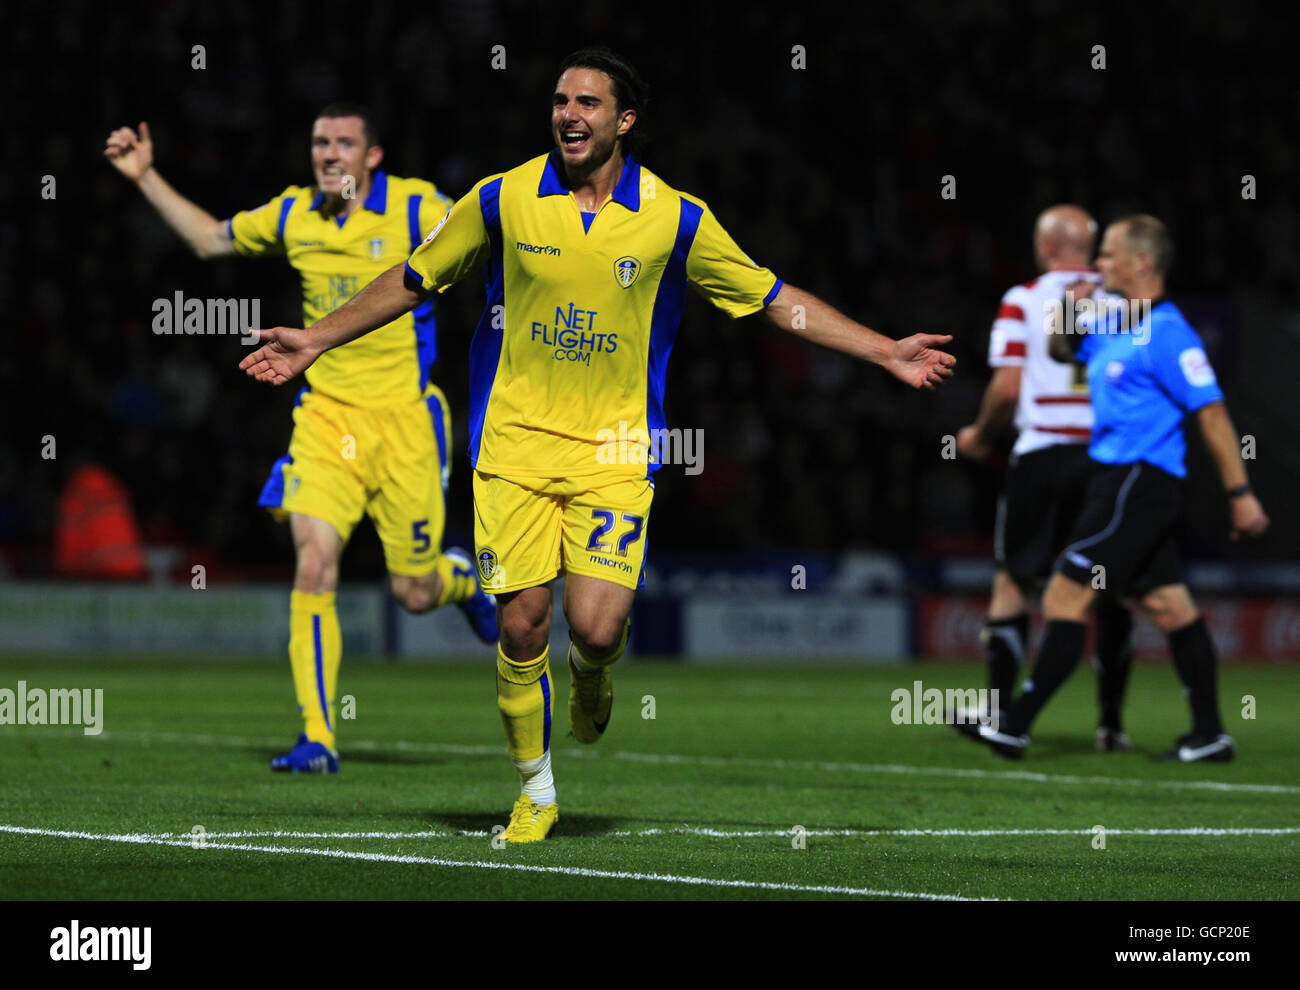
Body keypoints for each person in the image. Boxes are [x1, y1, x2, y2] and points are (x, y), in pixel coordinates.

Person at [239, 47, 955, 838]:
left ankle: (592, 676)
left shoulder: (675, 216)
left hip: (615, 451)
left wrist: (884, 349)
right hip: (512, 447)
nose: (568, 115)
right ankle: (536, 791)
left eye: (586, 103)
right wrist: (315, 339)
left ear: (625, 120)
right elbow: (413, 278)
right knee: (520, 624)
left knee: (599, 627)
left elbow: (771, 299)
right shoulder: (503, 197)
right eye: (559, 101)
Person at [104, 104, 498, 774]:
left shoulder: (414, 208)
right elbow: (209, 240)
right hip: (325, 420)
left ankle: (463, 583)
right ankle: (318, 737)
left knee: (413, 593)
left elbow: (490, 228)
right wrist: (145, 177)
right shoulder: (293, 216)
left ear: (373, 156)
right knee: (313, 566)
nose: (330, 153)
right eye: (320, 142)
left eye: (345, 142)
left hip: (407, 423)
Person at [960, 214, 1268, 762]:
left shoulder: (1169, 333)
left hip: (1140, 480)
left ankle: (1015, 724)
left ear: (1141, 263)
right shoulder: (1112, 320)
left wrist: (1239, 495)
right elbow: (1059, 352)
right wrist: (1071, 311)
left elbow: (1214, 416)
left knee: (1065, 592)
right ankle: (1210, 735)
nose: (1098, 265)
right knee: (1169, 605)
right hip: (1114, 480)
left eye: (1107, 255)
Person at [955, 205, 1135, 751]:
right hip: (1108, 458)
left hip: (1043, 453)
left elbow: (1008, 389)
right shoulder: (1125, 302)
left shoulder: (1024, 299)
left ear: (1047, 246)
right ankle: (1110, 726)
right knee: (1107, 588)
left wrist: (981, 436)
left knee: (1014, 582)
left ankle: (1000, 713)